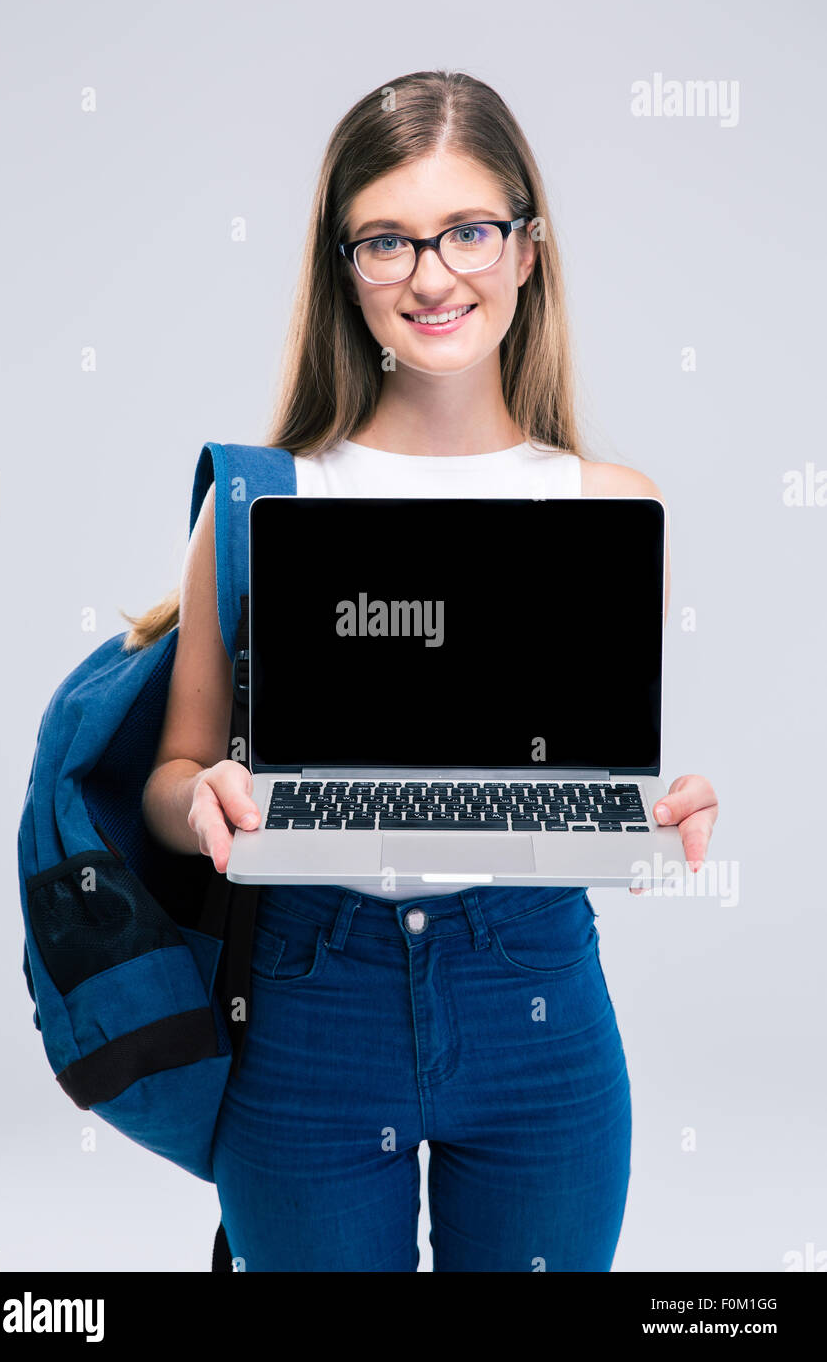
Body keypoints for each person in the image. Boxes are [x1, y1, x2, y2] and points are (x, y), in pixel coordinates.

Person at [134, 69, 718, 1272]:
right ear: (343, 265)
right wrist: (203, 800)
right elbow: (174, 771)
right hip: (310, 990)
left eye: (466, 230)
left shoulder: (611, 511)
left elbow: (583, 772)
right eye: (387, 240)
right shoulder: (262, 498)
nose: (432, 274)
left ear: (526, 247)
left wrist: (651, 810)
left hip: (532, 989)